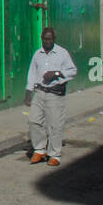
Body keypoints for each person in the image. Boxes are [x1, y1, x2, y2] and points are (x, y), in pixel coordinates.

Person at [25, 27, 78, 167]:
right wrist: (28, 92)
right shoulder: (38, 54)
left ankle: (54, 154)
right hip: (39, 92)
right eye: (45, 38)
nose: (47, 41)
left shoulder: (62, 53)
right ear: (41, 38)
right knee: (33, 121)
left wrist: (56, 74)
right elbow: (32, 73)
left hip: (55, 94)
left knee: (55, 125)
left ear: (54, 39)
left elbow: (72, 71)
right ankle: (40, 149)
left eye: (50, 39)